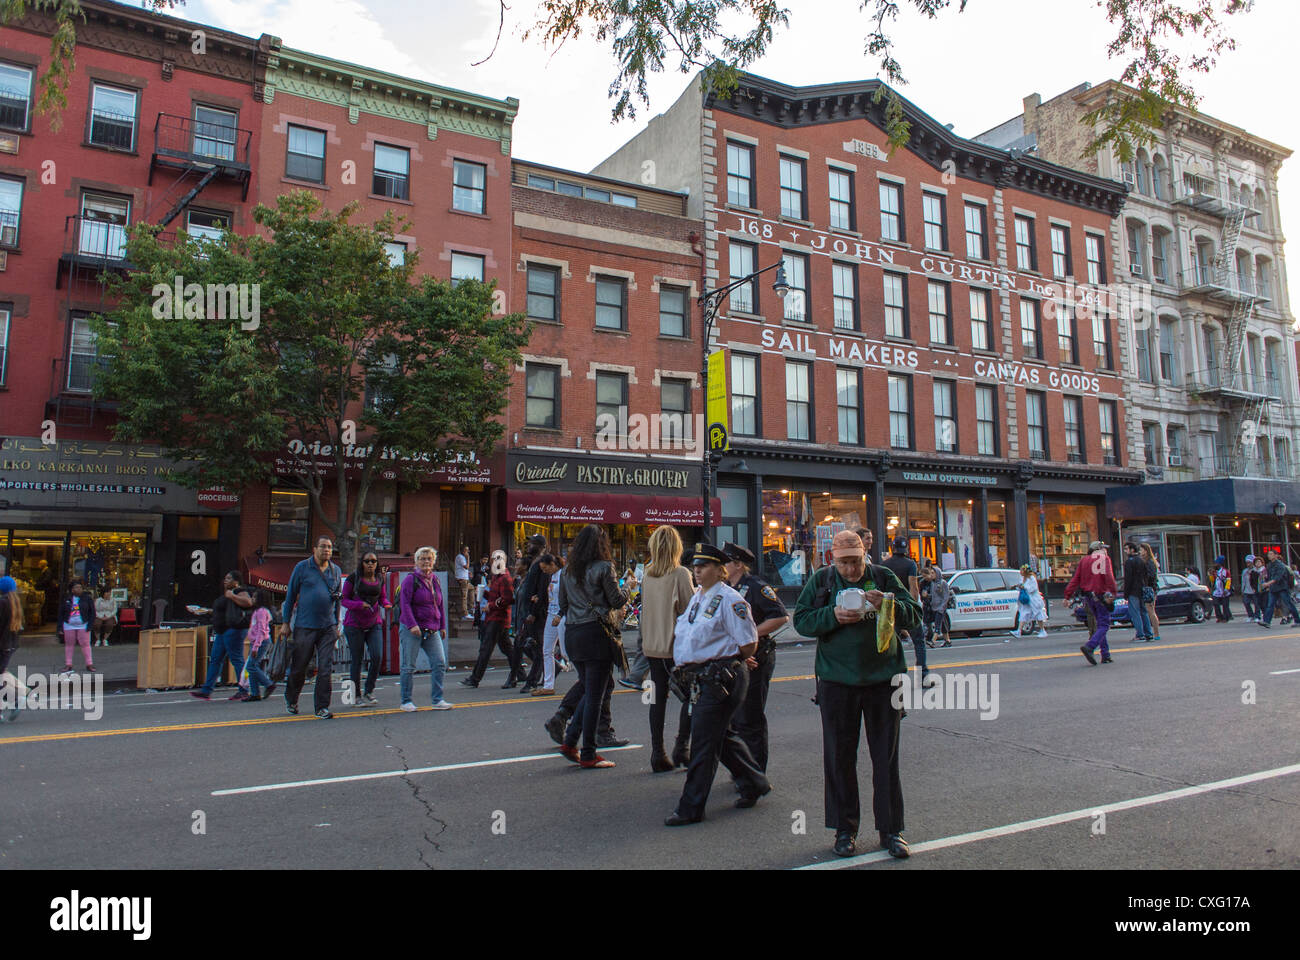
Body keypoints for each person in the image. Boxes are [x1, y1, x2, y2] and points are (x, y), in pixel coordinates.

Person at [793, 528, 922, 858]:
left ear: (866, 554)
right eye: (844, 563)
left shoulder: (883, 576)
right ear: (832, 559)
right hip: (837, 683)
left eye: (856, 561)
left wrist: (887, 605)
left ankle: (891, 830)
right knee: (839, 758)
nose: (851, 569)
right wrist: (832, 616)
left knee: (886, 759)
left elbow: (915, 615)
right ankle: (844, 830)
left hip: (883, 681)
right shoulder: (823, 580)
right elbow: (802, 620)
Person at [663, 542, 770, 824]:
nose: (697, 571)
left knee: (703, 743)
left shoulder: (730, 600)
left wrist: (731, 659)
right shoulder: (699, 596)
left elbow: (748, 642)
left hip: (720, 677)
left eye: (704, 566)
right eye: (695, 566)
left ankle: (690, 808)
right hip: (699, 677)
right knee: (721, 737)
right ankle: (754, 781)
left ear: (719, 570)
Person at [556, 524, 628, 769]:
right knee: (595, 695)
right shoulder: (604, 567)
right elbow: (616, 600)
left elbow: (563, 605)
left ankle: (570, 741)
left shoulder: (567, 571)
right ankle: (588, 752)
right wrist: (629, 586)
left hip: (573, 632)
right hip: (597, 633)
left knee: (590, 687)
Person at [722, 541, 789, 773]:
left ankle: (756, 772)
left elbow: (780, 616)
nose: (722, 565)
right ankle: (743, 770)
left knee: (750, 717)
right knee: (734, 719)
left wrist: (751, 634)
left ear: (738, 564)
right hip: (736, 659)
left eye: (726, 561)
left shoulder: (756, 586)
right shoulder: (725, 587)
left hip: (758, 657)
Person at [637, 525, 695, 771]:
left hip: (652, 646)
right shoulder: (680, 573)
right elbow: (691, 609)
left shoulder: (648, 574)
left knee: (657, 700)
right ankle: (681, 746)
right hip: (674, 647)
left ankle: (657, 752)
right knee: (692, 696)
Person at [279, 536, 344, 718]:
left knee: (325, 668)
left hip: (328, 626)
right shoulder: (302, 568)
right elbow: (291, 595)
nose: (327, 550)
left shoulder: (336, 570)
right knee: (300, 666)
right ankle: (291, 699)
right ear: (314, 549)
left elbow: (337, 598)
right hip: (305, 625)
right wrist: (285, 623)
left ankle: (322, 707)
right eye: (323, 547)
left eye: (330, 547)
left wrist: (337, 623)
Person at [398, 546, 451, 711]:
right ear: (416, 561)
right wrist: (412, 624)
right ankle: (406, 701)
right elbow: (404, 604)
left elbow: (440, 604)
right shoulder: (410, 580)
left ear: (433, 561)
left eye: (429, 559)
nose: (426, 562)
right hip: (412, 629)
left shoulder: (435, 580)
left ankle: (438, 699)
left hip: (432, 629)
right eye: (422, 559)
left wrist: (442, 625)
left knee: (439, 663)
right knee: (409, 666)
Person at [191, 571, 254, 700]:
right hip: (222, 631)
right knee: (215, 660)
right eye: (225, 578)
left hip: (233, 630)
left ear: (236, 582)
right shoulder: (227, 594)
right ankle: (207, 690)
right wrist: (205, 611)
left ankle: (244, 689)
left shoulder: (238, 591)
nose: (225, 580)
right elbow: (224, 611)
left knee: (236, 659)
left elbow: (248, 602)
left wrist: (232, 596)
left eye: (229, 578)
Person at [342, 551, 391, 706]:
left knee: (377, 656)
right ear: (361, 563)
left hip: (374, 622)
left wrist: (387, 604)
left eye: (374, 561)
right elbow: (344, 600)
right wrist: (358, 605)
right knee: (357, 659)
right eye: (367, 561)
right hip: (354, 623)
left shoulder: (379, 578)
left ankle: (369, 691)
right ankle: (354, 696)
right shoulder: (353, 578)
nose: (370, 564)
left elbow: (382, 597)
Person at [463, 551, 516, 688]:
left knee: (486, 648)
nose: (494, 562)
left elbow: (508, 599)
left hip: (498, 618)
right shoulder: (498, 578)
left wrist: (491, 605)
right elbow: (496, 597)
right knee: (507, 649)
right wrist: (483, 593)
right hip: (494, 617)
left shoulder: (504, 578)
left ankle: (475, 678)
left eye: (497, 559)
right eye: (494, 559)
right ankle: (520, 673)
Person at [880, 536, 932, 675]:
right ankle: (923, 674)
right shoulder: (910, 564)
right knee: (919, 642)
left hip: (891, 607)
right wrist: (914, 607)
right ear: (906, 548)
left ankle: (893, 675)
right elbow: (913, 587)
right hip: (907, 606)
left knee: (891, 644)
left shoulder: (884, 565)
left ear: (893, 547)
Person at [1065, 541, 1117, 665]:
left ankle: (1105, 654)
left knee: (1100, 625)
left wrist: (1067, 595)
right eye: (1103, 548)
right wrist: (1113, 592)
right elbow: (1109, 578)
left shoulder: (1084, 561)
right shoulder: (1104, 559)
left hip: (1089, 596)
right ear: (1098, 549)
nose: (1105, 551)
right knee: (1104, 625)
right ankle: (1090, 646)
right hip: (1101, 595)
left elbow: (1076, 579)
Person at [535, 555, 566, 697]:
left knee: (566, 651)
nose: (544, 571)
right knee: (547, 650)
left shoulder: (564, 575)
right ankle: (548, 685)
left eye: (545, 567)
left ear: (553, 564)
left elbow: (568, 597)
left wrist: (560, 614)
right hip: (551, 614)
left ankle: (583, 680)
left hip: (562, 616)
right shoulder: (551, 577)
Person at [238, 589, 277, 701]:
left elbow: (261, 630)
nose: (252, 599)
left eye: (254, 597)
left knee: (251, 666)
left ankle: (268, 684)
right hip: (256, 642)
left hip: (260, 642)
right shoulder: (257, 611)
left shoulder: (261, 612)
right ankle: (255, 693)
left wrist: (256, 646)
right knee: (252, 667)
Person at [58, 580, 96, 675]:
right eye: (76, 587)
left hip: (83, 624)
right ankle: (68, 664)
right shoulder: (66, 599)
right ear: (72, 590)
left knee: (85, 644)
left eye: (80, 587)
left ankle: (89, 664)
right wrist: (60, 627)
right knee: (69, 645)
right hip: (69, 625)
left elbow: (92, 612)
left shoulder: (87, 598)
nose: (78, 589)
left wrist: (90, 625)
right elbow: (61, 613)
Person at [1120, 543, 1154, 643]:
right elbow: (1146, 576)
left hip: (1133, 591)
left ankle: (1140, 634)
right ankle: (1148, 634)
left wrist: (1126, 593)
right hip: (1141, 589)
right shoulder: (1141, 561)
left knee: (1135, 613)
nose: (1125, 551)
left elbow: (1128, 579)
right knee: (1143, 612)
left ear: (1132, 550)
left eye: (1127, 549)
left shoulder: (1129, 562)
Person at [1258, 549, 1300, 627]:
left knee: (1289, 604)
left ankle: (1297, 621)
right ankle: (1267, 621)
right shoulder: (1269, 565)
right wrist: (1267, 583)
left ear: (1276, 555)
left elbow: (1278, 578)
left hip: (1282, 588)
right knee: (1270, 605)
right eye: (1268, 554)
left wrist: (1268, 584)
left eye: (1271, 554)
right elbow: (1269, 576)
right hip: (1273, 588)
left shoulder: (1280, 565)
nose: (1269, 555)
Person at [1015, 564, 1049, 639]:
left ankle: (1042, 630)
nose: (1020, 572)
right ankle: (1018, 631)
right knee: (1023, 613)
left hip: (1034, 600)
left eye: (1021, 570)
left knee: (1038, 614)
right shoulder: (1022, 578)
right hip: (1026, 599)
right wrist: (1020, 587)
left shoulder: (1032, 578)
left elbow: (1033, 589)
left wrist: (1024, 587)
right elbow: (1021, 587)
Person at [0, 575, 23, 678]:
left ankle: (22, 692)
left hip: (2, 644)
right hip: (10, 644)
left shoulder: (3, 602)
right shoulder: (15, 602)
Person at [1139, 543, 1162, 642]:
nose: (1140, 552)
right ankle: (1155, 633)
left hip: (1149, 588)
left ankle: (1156, 633)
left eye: (1141, 550)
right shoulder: (1147, 561)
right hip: (1149, 588)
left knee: (1151, 611)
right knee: (1150, 611)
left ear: (1145, 550)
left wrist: (1146, 584)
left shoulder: (1149, 562)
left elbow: (1151, 576)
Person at [924, 566, 952, 647]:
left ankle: (933, 641)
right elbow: (933, 595)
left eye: (933, 573)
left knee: (937, 624)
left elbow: (946, 596)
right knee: (943, 625)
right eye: (931, 573)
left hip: (940, 607)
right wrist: (928, 596)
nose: (931, 575)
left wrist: (942, 607)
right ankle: (947, 641)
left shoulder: (943, 583)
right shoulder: (933, 583)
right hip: (934, 607)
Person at [1211, 556, 1233, 622]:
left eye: (1216, 563)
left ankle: (1226, 618)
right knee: (1216, 603)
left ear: (1220, 564)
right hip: (1217, 591)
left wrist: (1226, 589)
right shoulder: (1214, 571)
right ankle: (1219, 617)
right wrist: (1211, 575)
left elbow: (1228, 581)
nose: (1215, 564)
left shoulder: (1225, 571)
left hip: (1224, 590)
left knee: (1225, 605)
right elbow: (1212, 581)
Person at [454, 546, 472, 620]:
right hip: (462, 579)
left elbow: (464, 569)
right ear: (463, 551)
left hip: (465, 578)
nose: (467, 552)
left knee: (472, 588)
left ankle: (471, 607)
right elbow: (466, 566)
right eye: (466, 551)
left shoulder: (462, 557)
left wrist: (469, 572)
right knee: (464, 597)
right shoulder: (460, 557)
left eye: (468, 551)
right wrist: (468, 558)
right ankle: (465, 613)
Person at [1240, 554, 1259, 623]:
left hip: (1254, 590)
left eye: (1249, 562)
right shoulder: (1245, 571)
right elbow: (1243, 581)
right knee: (1246, 603)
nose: (1248, 564)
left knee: (1256, 604)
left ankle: (1257, 616)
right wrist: (1242, 589)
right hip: (1246, 590)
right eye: (1247, 562)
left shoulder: (1256, 570)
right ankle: (1250, 615)